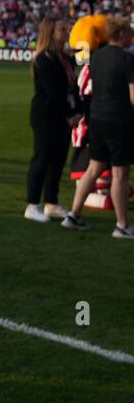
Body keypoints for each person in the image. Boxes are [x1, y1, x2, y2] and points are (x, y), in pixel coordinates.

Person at [62, 16, 134, 239]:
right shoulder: (127, 59)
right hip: (119, 120)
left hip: (97, 119)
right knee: (120, 173)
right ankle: (122, 225)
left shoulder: (96, 57)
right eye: (130, 32)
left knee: (93, 169)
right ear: (121, 34)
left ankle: (73, 215)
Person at [24, 15, 78, 222]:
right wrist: (69, 114)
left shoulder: (65, 58)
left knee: (58, 160)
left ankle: (51, 202)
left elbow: (75, 84)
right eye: (62, 29)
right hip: (46, 116)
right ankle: (32, 204)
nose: (67, 32)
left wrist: (76, 111)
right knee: (42, 158)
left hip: (63, 115)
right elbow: (54, 93)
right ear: (50, 33)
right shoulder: (43, 60)